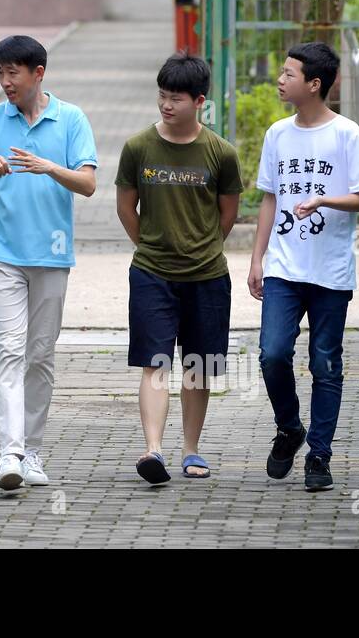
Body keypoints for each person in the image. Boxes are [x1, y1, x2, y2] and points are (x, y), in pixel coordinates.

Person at [0, 35, 98, 492]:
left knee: (40, 355)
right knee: (9, 351)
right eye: (0, 72)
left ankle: (33, 450)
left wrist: (48, 167)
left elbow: (89, 184)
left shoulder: (71, 119)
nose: (5, 81)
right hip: (4, 255)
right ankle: (10, 452)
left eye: (12, 72)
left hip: (53, 256)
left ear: (38, 73)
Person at [248, 41, 359, 493]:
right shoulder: (277, 134)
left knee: (326, 365)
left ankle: (319, 456)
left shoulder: (347, 135)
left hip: (330, 273)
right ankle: (289, 428)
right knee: (273, 354)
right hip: (284, 268)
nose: (280, 80)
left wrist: (323, 198)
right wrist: (256, 258)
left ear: (314, 84)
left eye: (288, 74)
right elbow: (269, 197)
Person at [116, 53, 242, 484]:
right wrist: (152, 246)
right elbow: (125, 207)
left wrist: (200, 248)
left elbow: (227, 216)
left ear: (199, 101)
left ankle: (191, 450)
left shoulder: (221, 153)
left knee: (198, 366)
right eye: (162, 96)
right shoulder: (138, 147)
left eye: (176, 98)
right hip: (151, 272)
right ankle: (153, 450)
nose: (167, 105)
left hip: (207, 276)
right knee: (154, 362)